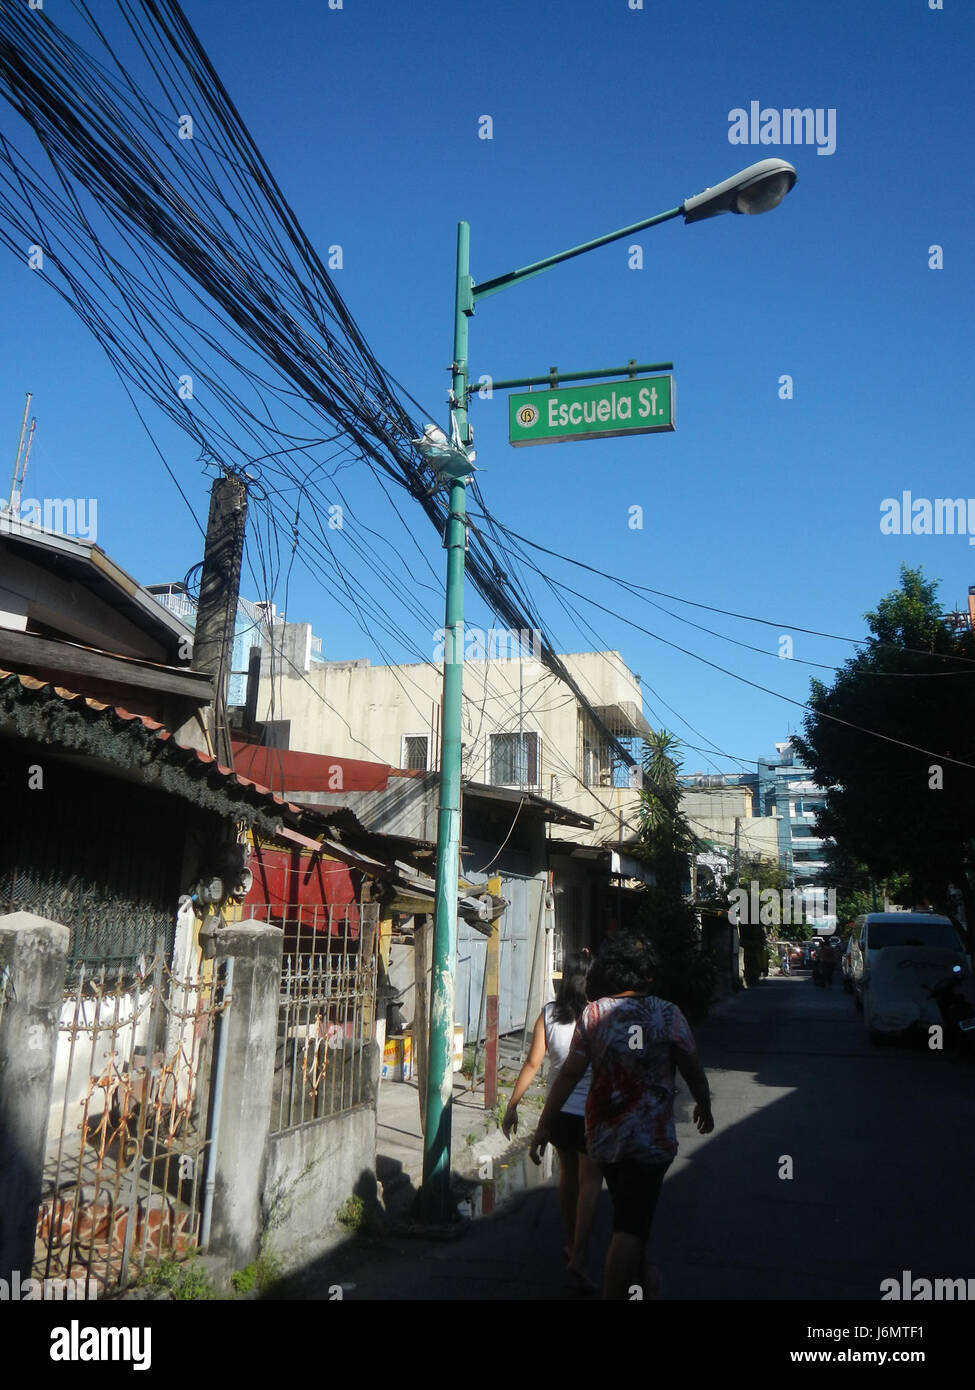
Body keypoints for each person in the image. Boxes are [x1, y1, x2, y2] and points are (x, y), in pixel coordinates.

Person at [530, 934, 714, 1300]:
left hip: (603, 1138)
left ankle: (645, 1281)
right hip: (650, 1142)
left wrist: (544, 1124)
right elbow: (692, 1068)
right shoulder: (669, 1014)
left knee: (630, 1213)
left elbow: (568, 1073)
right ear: (647, 976)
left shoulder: (594, 1014)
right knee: (630, 1225)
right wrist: (703, 1104)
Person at [502, 951, 601, 1287]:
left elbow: (531, 1064)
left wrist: (511, 1106)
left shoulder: (548, 1014)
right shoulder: (598, 1015)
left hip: (558, 1114)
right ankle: (579, 1253)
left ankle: (571, 1240)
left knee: (568, 1175)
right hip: (591, 1113)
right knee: (590, 1181)